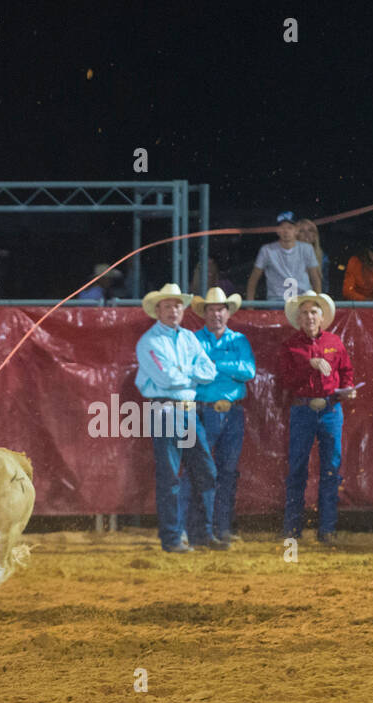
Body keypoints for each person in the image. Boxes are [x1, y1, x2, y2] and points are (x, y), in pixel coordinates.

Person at [134, 283, 224, 553]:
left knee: (205, 471)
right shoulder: (149, 341)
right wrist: (191, 370)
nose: (173, 310)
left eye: (177, 305)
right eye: (167, 306)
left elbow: (209, 371)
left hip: (187, 409)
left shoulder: (188, 338)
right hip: (166, 410)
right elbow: (167, 378)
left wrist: (182, 370)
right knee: (171, 476)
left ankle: (199, 533)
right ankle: (174, 538)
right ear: (158, 310)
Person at [177, 287, 256, 545]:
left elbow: (248, 371)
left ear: (227, 312)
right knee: (197, 470)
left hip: (230, 413)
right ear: (205, 313)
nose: (216, 314)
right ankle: (190, 530)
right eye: (211, 310)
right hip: (202, 411)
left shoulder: (238, 340)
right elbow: (191, 371)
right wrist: (228, 366)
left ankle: (217, 529)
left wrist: (214, 363)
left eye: (220, 309)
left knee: (227, 472)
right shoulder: (194, 340)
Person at [277, 290, 356, 545]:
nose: (309, 317)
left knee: (331, 470)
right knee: (298, 468)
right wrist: (309, 365)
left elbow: (346, 372)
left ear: (321, 317)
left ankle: (327, 529)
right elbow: (286, 381)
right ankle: (292, 528)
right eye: (305, 313)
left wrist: (349, 390)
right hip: (303, 409)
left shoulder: (335, 342)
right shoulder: (290, 346)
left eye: (313, 312)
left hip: (331, 410)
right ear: (299, 318)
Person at [246, 211, 322, 302]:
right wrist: (250, 305)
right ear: (277, 230)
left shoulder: (307, 249)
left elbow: (315, 278)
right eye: (282, 227)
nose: (286, 231)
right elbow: (253, 280)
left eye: (290, 228)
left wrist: (317, 302)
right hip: (276, 302)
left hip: (302, 300)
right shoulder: (266, 250)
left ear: (296, 230)